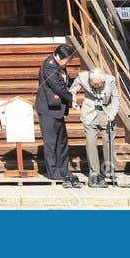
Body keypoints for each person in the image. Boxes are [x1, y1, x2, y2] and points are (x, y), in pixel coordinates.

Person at [36, 42, 80, 186]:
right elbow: (58, 87)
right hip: (48, 109)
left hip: (57, 110)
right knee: (51, 143)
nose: (68, 63)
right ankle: (54, 172)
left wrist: (77, 82)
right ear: (58, 56)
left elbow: (65, 82)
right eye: (67, 60)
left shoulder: (59, 66)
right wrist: (71, 98)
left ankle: (63, 169)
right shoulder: (49, 65)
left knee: (62, 142)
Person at [75, 68, 120, 186]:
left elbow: (115, 97)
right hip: (90, 114)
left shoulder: (110, 80)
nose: (96, 86)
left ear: (103, 80)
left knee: (108, 143)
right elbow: (73, 89)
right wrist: (73, 99)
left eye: (99, 84)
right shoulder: (83, 77)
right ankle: (94, 173)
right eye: (94, 84)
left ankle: (109, 171)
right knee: (90, 143)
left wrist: (113, 112)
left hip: (106, 113)